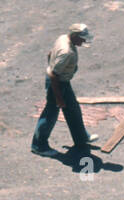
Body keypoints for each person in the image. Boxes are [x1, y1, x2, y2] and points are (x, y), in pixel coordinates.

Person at [31, 23, 101, 156]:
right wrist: (58, 98)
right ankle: (39, 145)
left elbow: (50, 54)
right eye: (82, 38)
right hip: (57, 84)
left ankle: (81, 138)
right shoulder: (66, 52)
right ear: (74, 36)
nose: (84, 41)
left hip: (62, 81)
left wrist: (52, 66)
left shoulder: (63, 38)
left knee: (73, 109)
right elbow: (53, 75)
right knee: (50, 114)